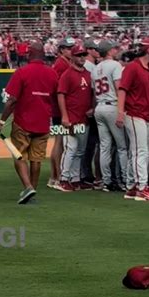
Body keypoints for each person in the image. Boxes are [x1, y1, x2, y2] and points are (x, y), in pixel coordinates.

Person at [0, 41, 59, 204]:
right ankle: (32, 191)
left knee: (18, 155)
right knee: (36, 159)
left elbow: (12, 100)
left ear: (30, 54)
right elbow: (56, 98)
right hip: (43, 123)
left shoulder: (22, 72)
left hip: (23, 122)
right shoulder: (52, 74)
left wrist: (1, 121)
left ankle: (28, 187)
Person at [118, 37, 149, 202]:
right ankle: (141, 188)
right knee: (141, 151)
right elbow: (122, 90)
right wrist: (119, 113)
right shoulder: (133, 67)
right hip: (133, 113)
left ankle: (132, 186)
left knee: (137, 151)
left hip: (146, 114)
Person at [56, 42, 94, 192]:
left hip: (84, 118)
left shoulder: (87, 74)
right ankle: (64, 179)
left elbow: (91, 94)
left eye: (83, 55)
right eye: (79, 55)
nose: (82, 58)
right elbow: (61, 95)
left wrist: (93, 107)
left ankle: (75, 178)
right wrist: (64, 116)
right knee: (70, 149)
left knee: (80, 151)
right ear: (72, 57)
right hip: (71, 118)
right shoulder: (67, 74)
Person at [93, 40, 128, 191]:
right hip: (112, 106)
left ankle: (106, 181)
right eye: (113, 49)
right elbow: (119, 88)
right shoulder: (115, 65)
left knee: (105, 147)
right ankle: (126, 180)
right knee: (122, 147)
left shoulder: (95, 68)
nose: (115, 50)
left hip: (99, 107)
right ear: (109, 51)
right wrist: (121, 111)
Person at [48, 37, 75, 188]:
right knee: (59, 143)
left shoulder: (64, 63)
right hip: (59, 110)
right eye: (68, 48)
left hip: (58, 109)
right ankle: (56, 176)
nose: (71, 50)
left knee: (60, 142)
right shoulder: (61, 64)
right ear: (62, 50)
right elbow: (59, 89)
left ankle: (54, 176)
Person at [81, 39, 101, 187]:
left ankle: (86, 173)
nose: (97, 51)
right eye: (94, 49)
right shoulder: (88, 66)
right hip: (88, 110)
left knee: (90, 144)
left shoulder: (93, 66)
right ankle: (85, 174)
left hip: (92, 109)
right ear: (88, 50)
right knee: (88, 144)